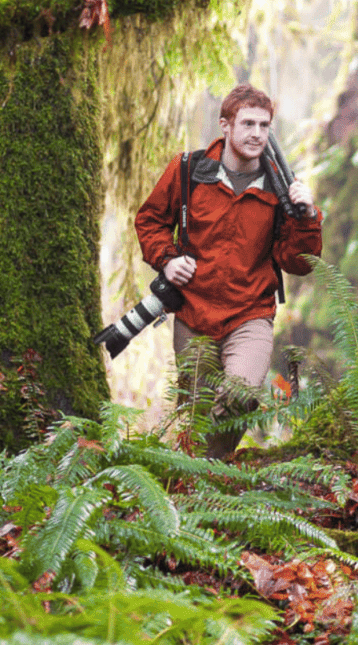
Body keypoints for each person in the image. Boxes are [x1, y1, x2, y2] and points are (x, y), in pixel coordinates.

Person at [133, 83, 323, 458]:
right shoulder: (188, 170)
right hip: (192, 313)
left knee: (242, 393)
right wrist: (168, 259)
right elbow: (149, 220)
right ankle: (195, 488)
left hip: (250, 314)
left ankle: (194, 474)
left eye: (264, 125)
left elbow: (296, 263)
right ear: (225, 125)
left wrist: (307, 217)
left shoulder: (281, 187)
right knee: (196, 415)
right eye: (248, 123)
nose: (257, 134)